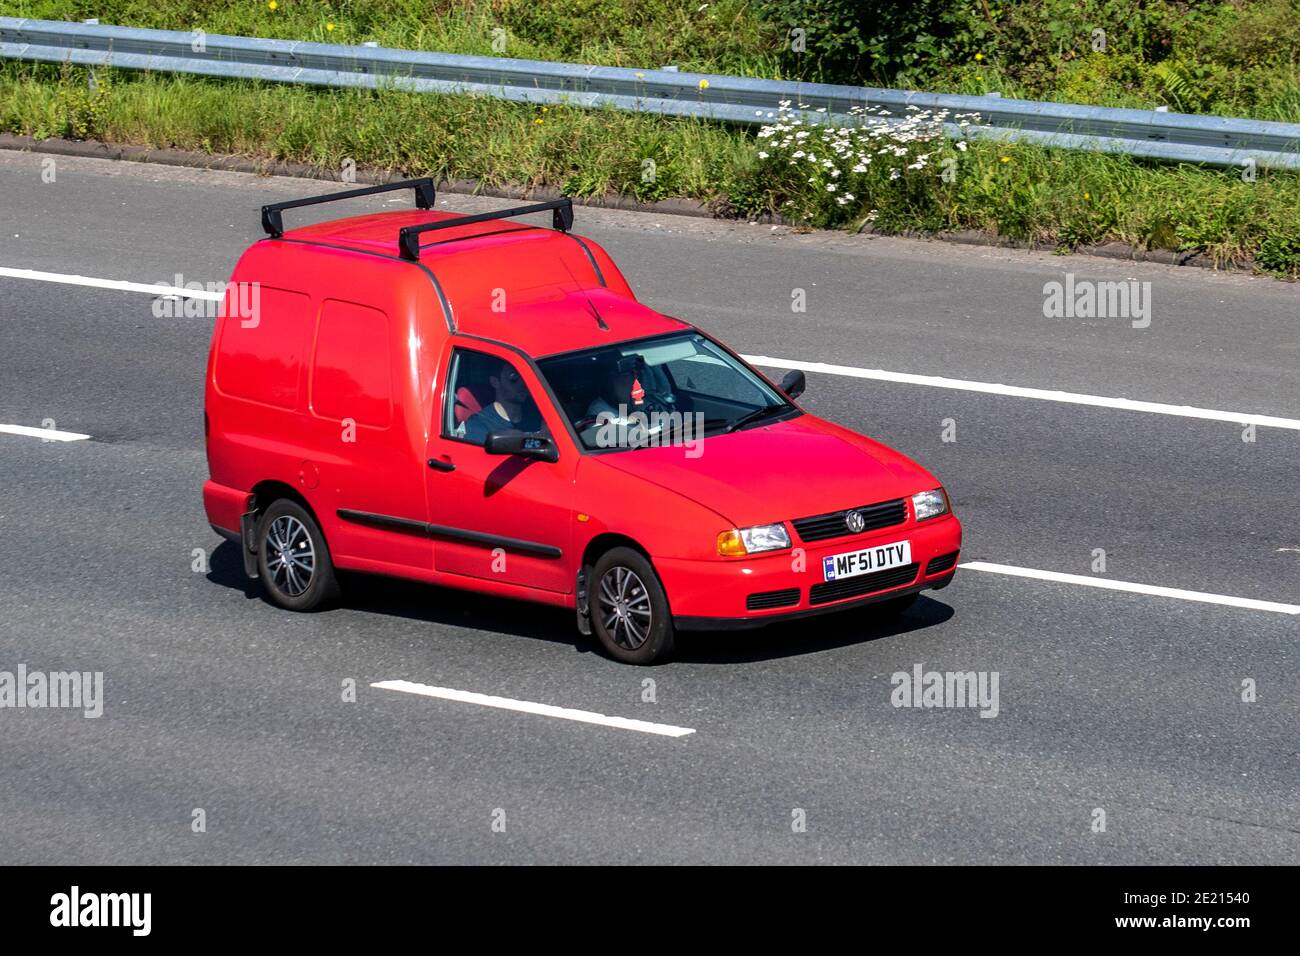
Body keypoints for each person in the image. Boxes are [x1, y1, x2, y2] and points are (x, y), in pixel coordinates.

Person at [464, 361, 544, 444]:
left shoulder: (538, 417)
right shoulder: (479, 424)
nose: (522, 383)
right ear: (495, 382)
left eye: (524, 378)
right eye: (513, 378)